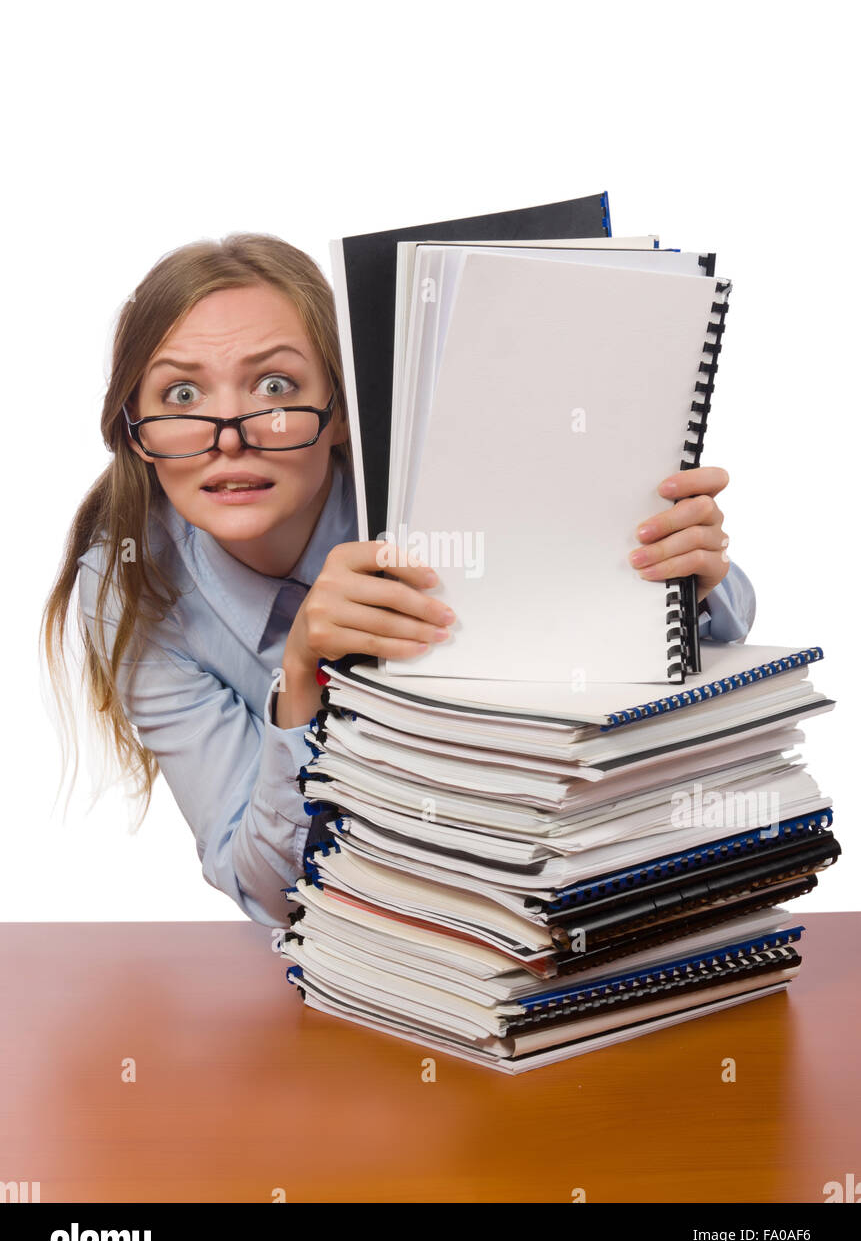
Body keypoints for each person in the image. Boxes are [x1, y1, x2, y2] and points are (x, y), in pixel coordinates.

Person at [41, 233, 755, 928]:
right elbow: (265, 889)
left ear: (342, 412)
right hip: (392, 956)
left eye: (275, 385)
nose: (229, 435)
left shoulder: (437, 487)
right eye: (183, 392)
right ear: (137, 429)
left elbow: (719, 622)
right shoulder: (131, 592)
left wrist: (683, 577)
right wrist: (300, 679)